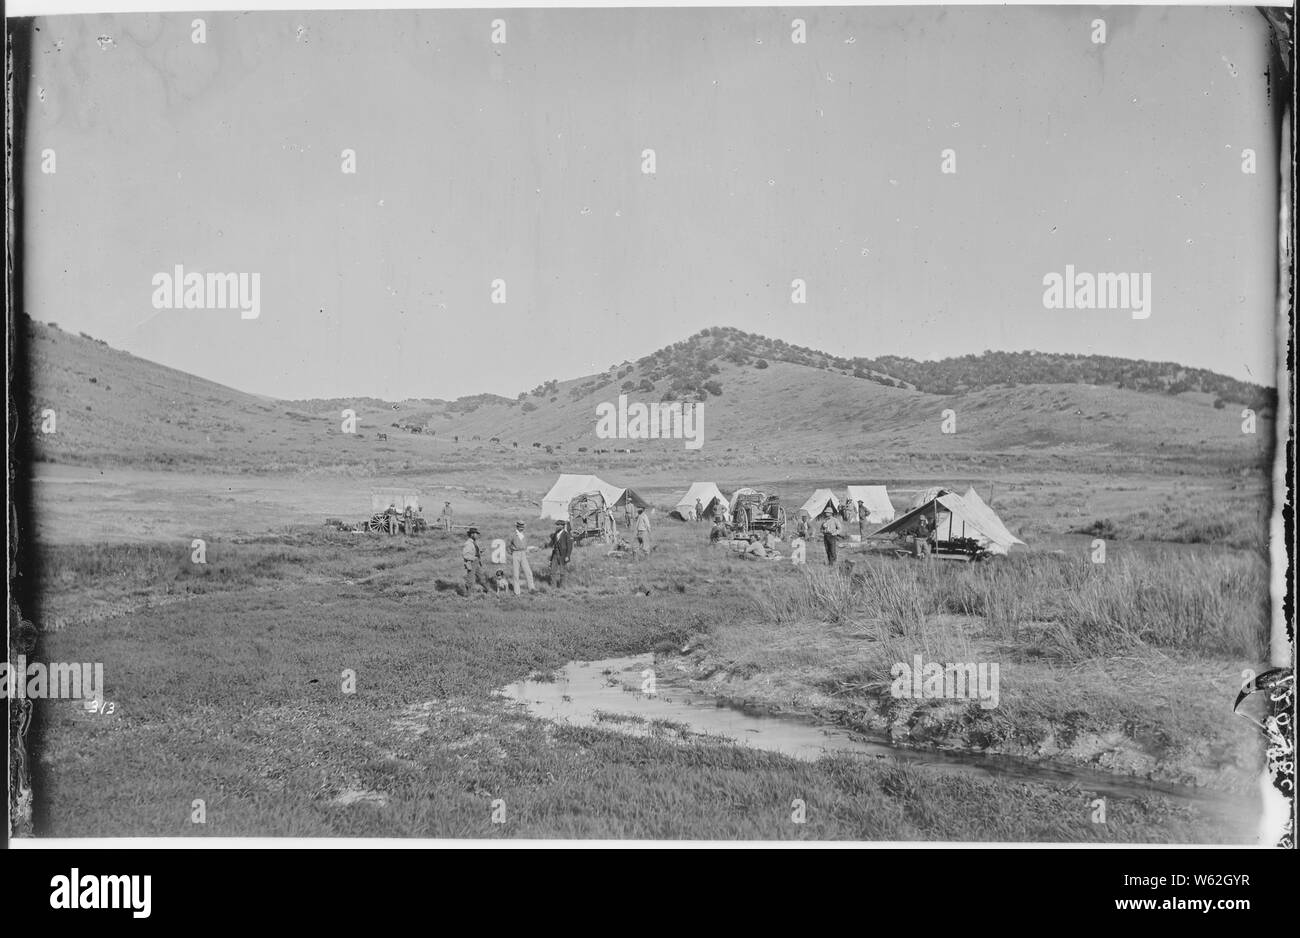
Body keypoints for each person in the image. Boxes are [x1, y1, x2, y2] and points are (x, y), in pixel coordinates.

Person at [507, 520, 536, 594]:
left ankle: (532, 589)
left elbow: (525, 545)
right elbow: (508, 545)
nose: (522, 528)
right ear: (517, 527)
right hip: (515, 553)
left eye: (523, 527)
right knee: (516, 573)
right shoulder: (512, 535)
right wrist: (511, 552)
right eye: (521, 527)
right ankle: (517, 592)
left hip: (523, 554)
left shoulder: (525, 534)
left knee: (528, 572)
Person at [461, 526, 489, 594]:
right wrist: (474, 558)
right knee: (470, 580)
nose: (477, 535)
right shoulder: (468, 543)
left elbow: (474, 552)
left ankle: (486, 591)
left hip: (477, 562)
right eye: (476, 534)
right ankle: (468, 596)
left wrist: (480, 552)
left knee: (481, 577)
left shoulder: (474, 542)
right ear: (472, 534)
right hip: (471, 562)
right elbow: (465, 555)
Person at [548, 520, 573, 587]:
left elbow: (570, 546)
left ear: (562, 526)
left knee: (562, 572)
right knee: (552, 571)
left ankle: (563, 587)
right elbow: (552, 545)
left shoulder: (566, 534)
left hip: (563, 555)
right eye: (557, 525)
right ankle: (553, 586)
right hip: (555, 555)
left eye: (559, 525)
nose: (557, 526)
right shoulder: (555, 534)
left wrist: (568, 556)